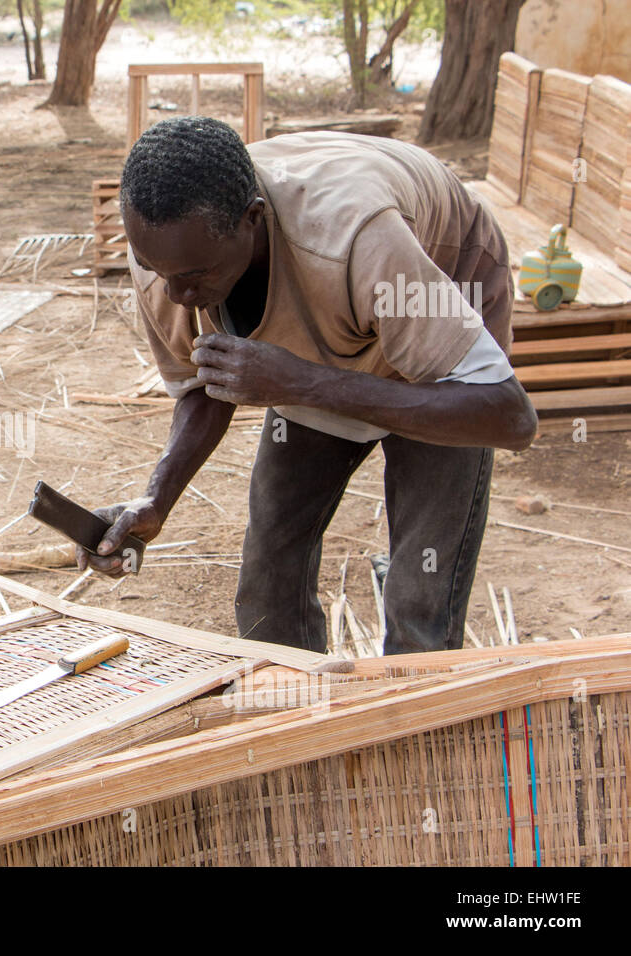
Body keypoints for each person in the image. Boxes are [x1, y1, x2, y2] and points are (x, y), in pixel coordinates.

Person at [77, 117, 538, 656]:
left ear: (253, 219)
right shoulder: (167, 253)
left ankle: (412, 724)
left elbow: (509, 416)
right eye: (157, 269)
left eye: (195, 275)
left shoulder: (360, 240)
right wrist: (157, 499)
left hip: (439, 298)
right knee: (268, 577)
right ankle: (295, 718)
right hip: (327, 331)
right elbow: (203, 386)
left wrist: (304, 382)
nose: (177, 295)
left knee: (420, 601)